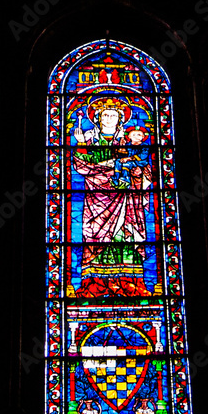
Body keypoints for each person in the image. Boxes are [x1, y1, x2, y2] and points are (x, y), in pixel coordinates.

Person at [71, 96, 151, 297]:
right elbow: (80, 166)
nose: (109, 119)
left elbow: (143, 166)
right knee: (95, 237)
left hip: (125, 200)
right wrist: (81, 145)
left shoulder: (128, 141)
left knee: (126, 237)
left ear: (120, 120)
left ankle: (130, 283)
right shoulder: (88, 140)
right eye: (105, 115)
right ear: (98, 118)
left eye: (113, 115)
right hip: (95, 198)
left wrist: (132, 171)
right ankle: (94, 284)